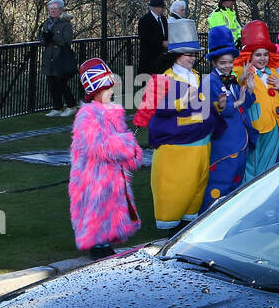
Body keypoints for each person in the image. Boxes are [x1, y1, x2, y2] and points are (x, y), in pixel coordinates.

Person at [132, 19, 215, 231]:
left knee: (195, 192)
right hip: (177, 148)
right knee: (176, 191)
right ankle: (172, 231)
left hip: (201, 145)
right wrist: (182, 102)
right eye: (189, 54)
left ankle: (188, 225)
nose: (192, 58)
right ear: (176, 55)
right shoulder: (163, 79)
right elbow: (154, 106)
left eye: (194, 54)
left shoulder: (196, 76)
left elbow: (203, 107)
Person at [69, 57, 142, 259]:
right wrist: (127, 144)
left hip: (112, 177)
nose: (112, 92)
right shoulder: (88, 115)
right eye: (108, 88)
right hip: (94, 178)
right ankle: (98, 245)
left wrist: (132, 152)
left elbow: (121, 142)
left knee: (112, 208)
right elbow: (100, 146)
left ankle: (106, 242)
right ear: (97, 90)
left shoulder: (113, 113)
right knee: (97, 209)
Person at [201, 25, 253, 210]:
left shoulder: (232, 79)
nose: (228, 66)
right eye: (223, 63)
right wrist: (236, 103)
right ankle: (206, 221)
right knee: (219, 185)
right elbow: (216, 111)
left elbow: (245, 103)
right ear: (214, 63)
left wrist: (249, 88)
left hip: (240, 142)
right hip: (224, 143)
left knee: (235, 185)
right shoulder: (209, 81)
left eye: (230, 62)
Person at [240, 21, 279, 181]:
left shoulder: (272, 72)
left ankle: (261, 194)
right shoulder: (243, 71)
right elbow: (236, 85)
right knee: (251, 165)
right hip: (255, 127)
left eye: (265, 54)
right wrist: (242, 79)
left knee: (268, 166)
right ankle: (246, 196)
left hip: (275, 125)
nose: (263, 58)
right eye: (258, 55)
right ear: (249, 56)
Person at [40, 0, 77, 117]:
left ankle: (71, 106)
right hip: (48, 57)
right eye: (51, 8)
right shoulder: (47, 22)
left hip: (61, 58)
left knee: (61, 83)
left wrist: (53, 37)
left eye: (55, 8)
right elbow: (43, 41)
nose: (52, 11)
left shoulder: (66, 24)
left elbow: (66, 42)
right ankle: (57, 107)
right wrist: (45, 39)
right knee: (51, 83)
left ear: (61, 10)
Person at [136, 0, 170, 77]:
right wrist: (161, 43)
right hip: (149, 58)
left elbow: (165, 34)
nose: (162, 9)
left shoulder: (163, 19)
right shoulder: (145, 20)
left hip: (162, 57)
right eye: (161, 7)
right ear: (154, 8)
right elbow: (144, 38)